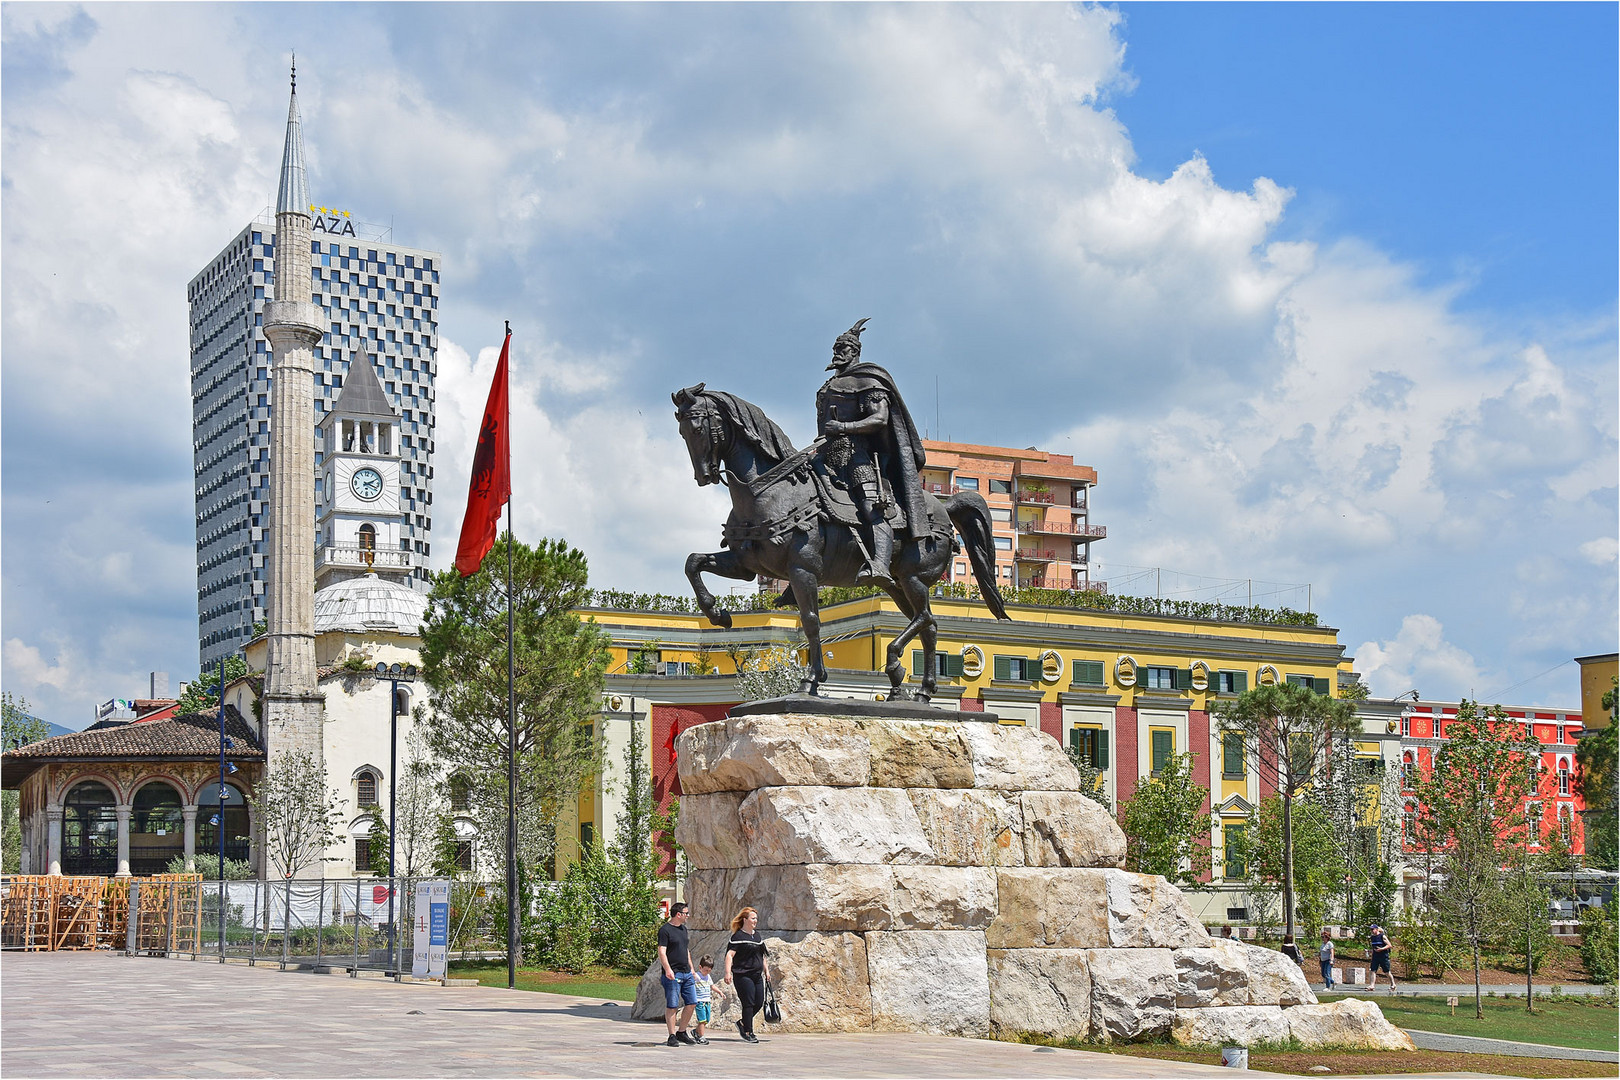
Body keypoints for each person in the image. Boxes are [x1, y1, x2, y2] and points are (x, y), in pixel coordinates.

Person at [813, 318, 929, 587]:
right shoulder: (829, 386)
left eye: (842, 348)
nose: (836, 353)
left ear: (855, 352)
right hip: (825, 455)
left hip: (858, 456)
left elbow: (879, 419)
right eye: (835, 348)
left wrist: (843, 426)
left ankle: (880, 564)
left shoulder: (868, 381)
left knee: (871, 506)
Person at [723, 906, 771, 1044]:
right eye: (753, 918)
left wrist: (766, 971)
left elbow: (762, 956)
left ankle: (743, 1023)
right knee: (748, 1003)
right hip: (743, 975)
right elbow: (729, 955)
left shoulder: (757, 936)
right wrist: (727, 972)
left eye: (756, 918)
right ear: (745, 919)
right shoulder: (738, 936)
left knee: (759, 1002)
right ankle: (748, 1032)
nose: (755, 921)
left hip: (757, 975)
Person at [657, 902, 698, 1047]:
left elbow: (686, 950)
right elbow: (662, 951)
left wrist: (692, 969)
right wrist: (668, 969)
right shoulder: (665, 930)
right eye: (686, 913)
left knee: (692, 1003)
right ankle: (672, 1035)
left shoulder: (684, 929)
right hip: (673, 974)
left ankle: (682, 1031)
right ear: (678, 914)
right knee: (672, 1005)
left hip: (686, 973)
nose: (688, 915)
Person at [692, 955, 720, 1045]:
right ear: (700, 967)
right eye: (705, 970)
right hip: (699, 1001)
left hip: (707, 1001)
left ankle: (696, 1032)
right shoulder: (696, 976)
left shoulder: (708, 977)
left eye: (709, 970)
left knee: (706, 1020)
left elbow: (712, 986)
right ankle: (701, 1037)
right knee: (702, 1020)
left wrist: (720, 992)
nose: (707, 972)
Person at [1367, 924, 1397, 990]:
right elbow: (1374, 947)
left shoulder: (1382, 936)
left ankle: (1393, 984)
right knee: (1372, 970)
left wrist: (1381, 949)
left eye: (1373, 929)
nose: (1371, 931)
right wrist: (1370, 951)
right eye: (1370, 929)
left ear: (1376, 929)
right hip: (1375, 956)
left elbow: (1389, 945)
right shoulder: (1372, 937)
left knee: (1386, 971)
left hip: (1383, 956)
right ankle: (1372, 985)